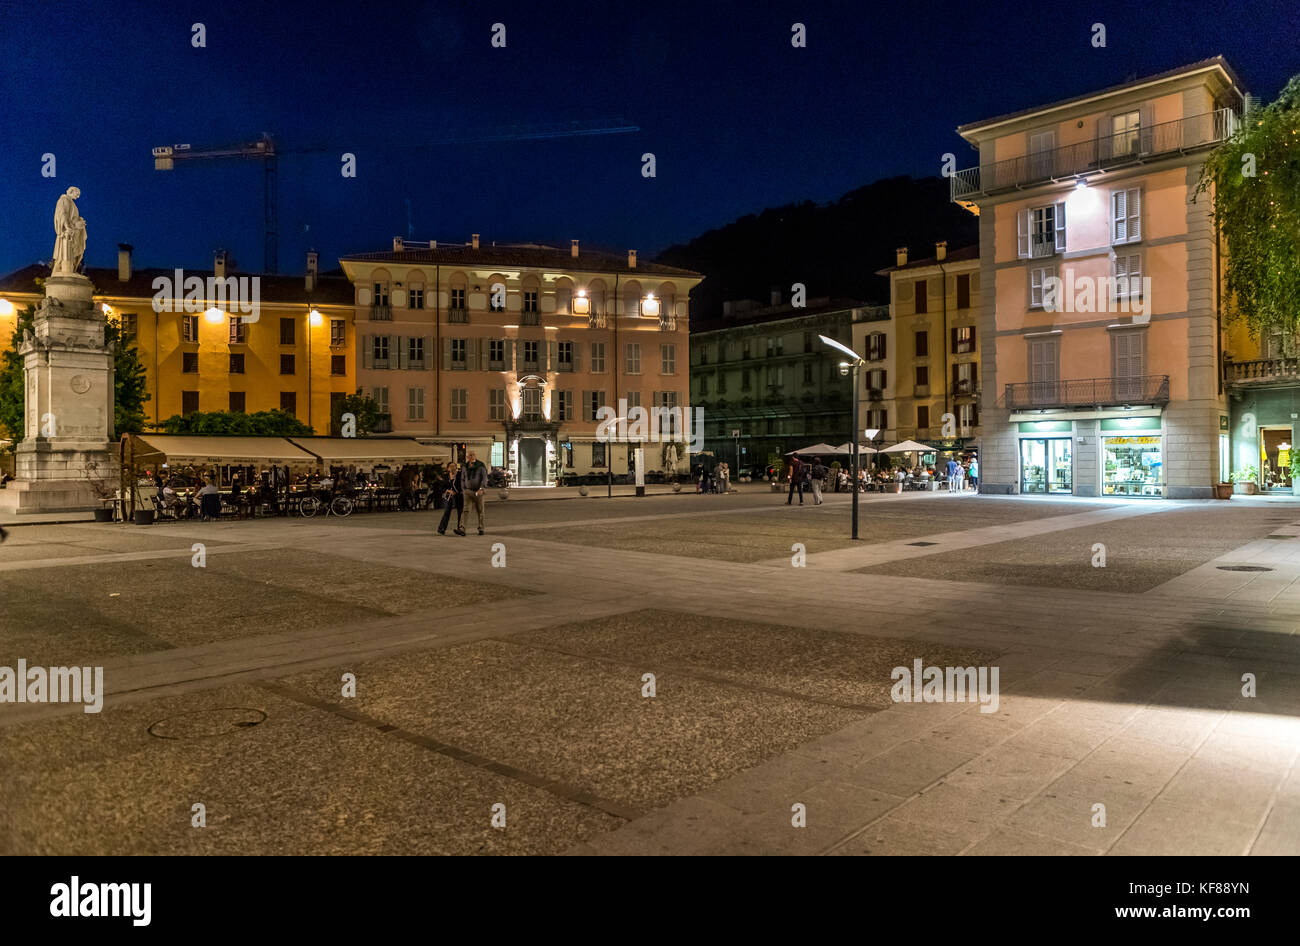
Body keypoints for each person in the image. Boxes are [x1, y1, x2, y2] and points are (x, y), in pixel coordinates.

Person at [462, 450, 488, 535]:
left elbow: (484, 478)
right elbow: (462, 478)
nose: (472, 456)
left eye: (473, 454)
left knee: (480, 510)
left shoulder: (480, 465)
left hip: (478, 491)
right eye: (470, 455)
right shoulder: (465, 466)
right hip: (468, 491)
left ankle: (481, 528)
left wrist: (482, 488)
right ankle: (463, 528)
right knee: (466, 510)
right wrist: (464, 489)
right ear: (467, 457)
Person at [437, 462, 464, 535]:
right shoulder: (446, 476)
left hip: (459, 496)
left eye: (454, 466)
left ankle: (460, 528)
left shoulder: (460, 475)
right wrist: (448, 490)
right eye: (451, 466)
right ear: (448, 468)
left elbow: (463, 484)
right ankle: (442, 528)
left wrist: (459, 491)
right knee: (446, 512)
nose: (452, 468)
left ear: (456, 467)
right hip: (449, 496)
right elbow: (442, 487)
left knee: (460, 512)